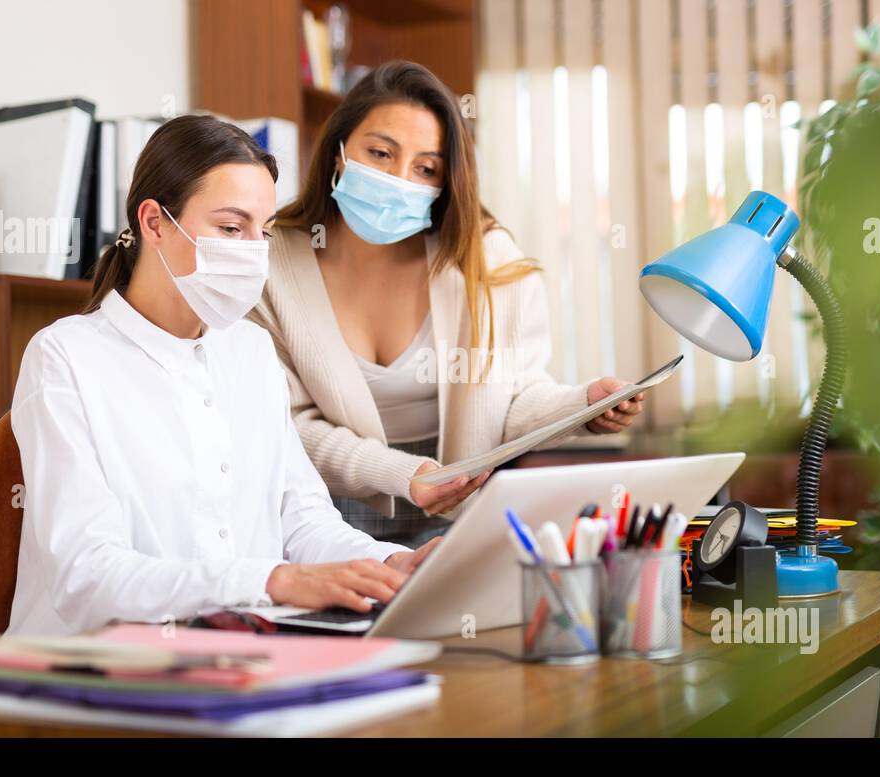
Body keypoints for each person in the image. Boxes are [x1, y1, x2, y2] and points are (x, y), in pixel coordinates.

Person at [6, 114, 436, 637]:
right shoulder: (65, 356)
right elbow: (88, 576)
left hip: (233, 652)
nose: (254, 249)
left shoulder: (250, 350)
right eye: (231, 228)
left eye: (265, 230)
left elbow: (302, 521)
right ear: (155, 222)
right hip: (91, 666)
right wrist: (272, 581)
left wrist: (389, 564)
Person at [253, 60, 645, 549]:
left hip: (458, 513)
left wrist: (583, 405)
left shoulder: (486, 260)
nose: (400, 179)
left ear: (444, 183)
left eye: (426, 168)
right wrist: (405, 474)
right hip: (314, 517)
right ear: (338, 153)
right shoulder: (271, 262)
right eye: (379, 153)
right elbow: (284, 422)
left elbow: (513, 399)